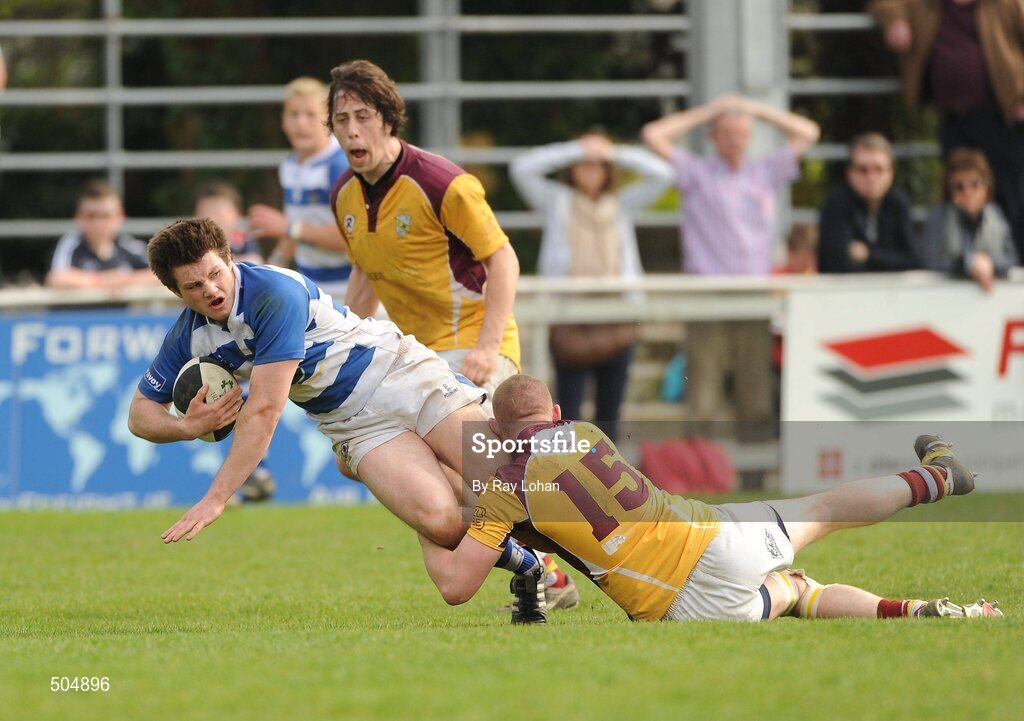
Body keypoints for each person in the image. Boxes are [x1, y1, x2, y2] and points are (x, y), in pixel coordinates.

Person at [128, 219, 551, 610]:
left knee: (527, 492)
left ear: (230, 259)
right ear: (177, 293)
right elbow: (140, 414)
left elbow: (265, 409)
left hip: (402, 376)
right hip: (354, 423)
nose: (211, 290)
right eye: (194, 286)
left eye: (215, 274)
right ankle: (527, 564)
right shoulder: (189, 334)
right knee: (442, 524)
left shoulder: (272, 294)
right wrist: (185, 427)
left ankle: (605, 568)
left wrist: (216, 498)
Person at [420, 374, 1003, 624]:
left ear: (498, 432)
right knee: (824, 509)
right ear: (552, 414)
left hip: (680, 607)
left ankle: (909, 610)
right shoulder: (587, 432)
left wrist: (423, 513)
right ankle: (937, 478)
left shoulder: (508, 488)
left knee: (797, 592)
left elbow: (456, 585)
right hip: (713, 534)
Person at [326, 59, 578, 608]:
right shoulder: (345, 194)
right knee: (386, 471)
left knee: (476, 468)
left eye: (362, 116)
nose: (350, 131)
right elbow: (366, 274)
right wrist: (342, 348)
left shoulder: (442, 183)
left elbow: (504, 260)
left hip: (472, 345)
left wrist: (489, 346)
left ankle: (572, 558)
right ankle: (540, 567)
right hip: (416, 358)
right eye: (341, 119)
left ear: (389, 120)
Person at [641, 94, 820, 453]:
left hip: (754, 294)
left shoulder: (764, 172)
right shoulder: (696, 172)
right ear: (713, 137)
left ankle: (754, 475)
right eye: (726, 132)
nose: (735, 139)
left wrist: (754, 109)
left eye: (741, 133)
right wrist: (710, 111)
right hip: (707, 293)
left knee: (754, 388)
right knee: (703, 386)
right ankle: (701, 474)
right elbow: (653, 135)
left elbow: (808, 132)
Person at [509, 132, 673, 442]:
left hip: (616, 314)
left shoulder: (621, 203)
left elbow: (663, 174)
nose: (590, 170)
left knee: (610, 411)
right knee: (569, 409)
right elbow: (522, 168)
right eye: (583, 165)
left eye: (598, 165)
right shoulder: (557, 200)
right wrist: (576, 149)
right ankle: (573, 477)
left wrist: (613, 152)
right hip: (570, 315)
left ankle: (607, 478)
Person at [870, 0, 1024, 257]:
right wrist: (895, 21)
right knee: (960, 192)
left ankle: (1013, 265)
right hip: (952, 118)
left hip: (1000, 116)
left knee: (1010, 194)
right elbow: (884, 4)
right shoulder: (928, 5)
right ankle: (962, 260)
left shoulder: (1007, 4)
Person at [194, 181, 276, 504]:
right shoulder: (194, 254)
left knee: (254, 398)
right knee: (229, 396)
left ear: (236, 217)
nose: (212, 221)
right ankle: (252, 474)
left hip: (251, 331)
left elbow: (252, 265)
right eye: (205, 215)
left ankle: (253, 471)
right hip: (216, 333)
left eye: (219, 214)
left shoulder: (241, 242)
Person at [248, 77, 351, 299]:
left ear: (329, 120)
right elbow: (293, 232)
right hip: (311, 284)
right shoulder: (289, 166)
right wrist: (271, 269)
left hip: (349, 285)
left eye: (310, 115)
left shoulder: (340, 165)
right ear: (283, 121)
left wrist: (290, 228)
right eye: (294, 115)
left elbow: (351, 238)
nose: (301, 123)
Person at [817, 133, 920, 273]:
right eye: (863, 170)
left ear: (891, 172)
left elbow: (913, 259)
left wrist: (869, 254)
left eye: (878, 169)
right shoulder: (836, 204)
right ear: (849, 172)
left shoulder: (898, 202)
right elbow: (837, 262)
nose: (871, 177)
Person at [920, 148, 1019, 290]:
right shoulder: (939, 216)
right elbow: (928, 259)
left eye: (975, 184)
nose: (968, 193)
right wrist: (968, 263)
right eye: (959, 187)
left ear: (986, 187)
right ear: (949, 191)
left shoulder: (995, 215)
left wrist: (990, 262)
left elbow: (1012, 258)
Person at [46, 179, 159, 295]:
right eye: (91, 216)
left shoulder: (128, 245)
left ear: (120, 217)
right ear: (78, 217)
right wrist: (104, 280)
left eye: (105, 216)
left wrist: (126, 280)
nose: (98, 224)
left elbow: (161, 274)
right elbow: (57, 278)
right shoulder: (70, 243)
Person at [195, 181, 263, 264]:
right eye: (206, 213)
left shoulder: (242, 239)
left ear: (237, 215)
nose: (212, 219)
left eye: (219, 213)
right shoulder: (194, 244)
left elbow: (255, 261)